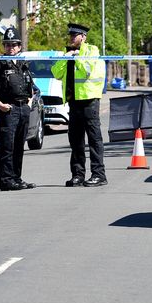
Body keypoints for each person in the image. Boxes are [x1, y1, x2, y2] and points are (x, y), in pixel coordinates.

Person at [51, 22, 107, 187]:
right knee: (76, 141)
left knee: (94, 139)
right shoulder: (67, 52)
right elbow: (56, 73)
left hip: (89, 100)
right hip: (73, 101)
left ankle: (99, 175)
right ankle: (77, 175)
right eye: (70, 35)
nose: (71, 38)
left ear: (83, 37)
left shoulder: (91, 50)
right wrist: (66, 57)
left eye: (74, 35)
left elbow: (87, 70)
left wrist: (77, 55)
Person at [0, 26, 36, 191]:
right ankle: (6, 180)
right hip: (8, 109)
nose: (11, 47)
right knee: (7, 146)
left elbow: (33, 89)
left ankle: (17, 178)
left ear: (19, 46)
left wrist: (28, 104)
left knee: (19, 146)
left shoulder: (23, 64)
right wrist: (0, 105)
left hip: (23, 109)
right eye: (7, 44)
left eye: (14, 44)